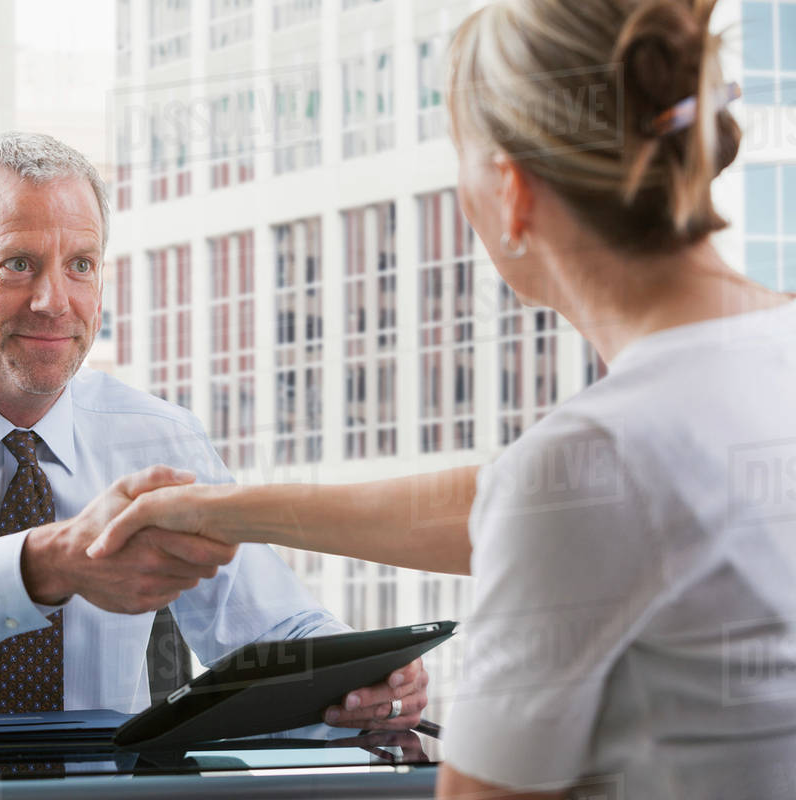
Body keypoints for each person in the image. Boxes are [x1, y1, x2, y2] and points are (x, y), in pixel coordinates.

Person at [87, 1, 796, 797]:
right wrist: (224, 512)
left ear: (512, 189)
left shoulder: (597, 460)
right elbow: (520, 505)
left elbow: (559, 504)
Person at [0, 131, 429, 728]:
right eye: (18, 264)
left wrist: (361, 677)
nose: (54, 301)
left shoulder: (156, 435)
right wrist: (48, 565)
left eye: (81, 265)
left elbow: (270, 628)